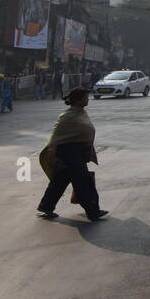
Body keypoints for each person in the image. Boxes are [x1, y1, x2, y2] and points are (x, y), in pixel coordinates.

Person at [36, 87, 107, 220]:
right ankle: (93, 211)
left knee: (60, 180)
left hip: (76, 151)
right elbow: (56, 136)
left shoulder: (80, 112)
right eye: (85, 97)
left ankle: (46, 206)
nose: (88, 99)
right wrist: (52, 154)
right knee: (84, 182)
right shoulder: (67, 116)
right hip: (69, 152)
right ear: (79, 100)